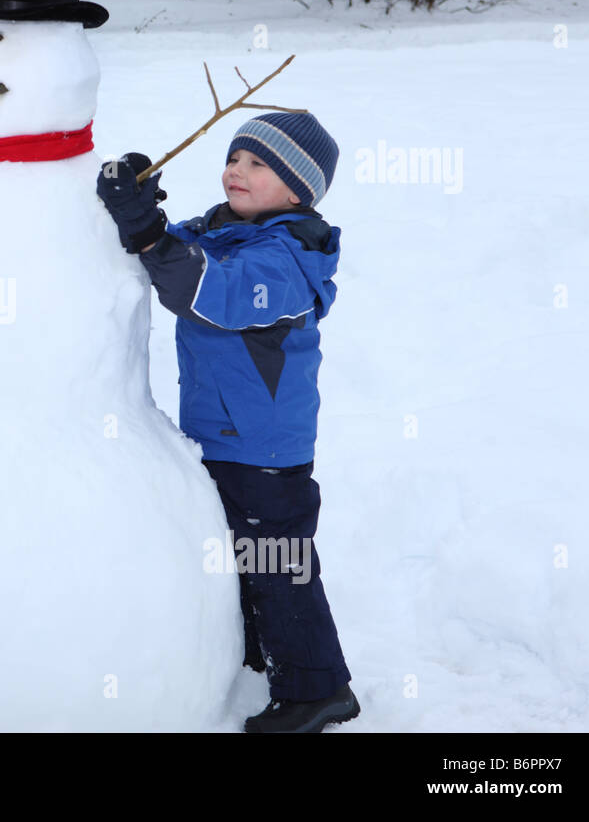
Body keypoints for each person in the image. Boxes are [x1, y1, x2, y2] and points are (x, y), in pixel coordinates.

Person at [95, 112, 359, 733]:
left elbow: (212, 294)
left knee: (276, 561)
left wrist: (151, 235)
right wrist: (137, 207)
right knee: (238, 555)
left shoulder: (289, 259)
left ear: (298, 192)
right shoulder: (224, 228)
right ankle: (251, 656)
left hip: (264, 447)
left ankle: (317, 690)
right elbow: (164, 249)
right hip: (220, 436)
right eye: (234, 158)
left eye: (258, 164)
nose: (236, 171)